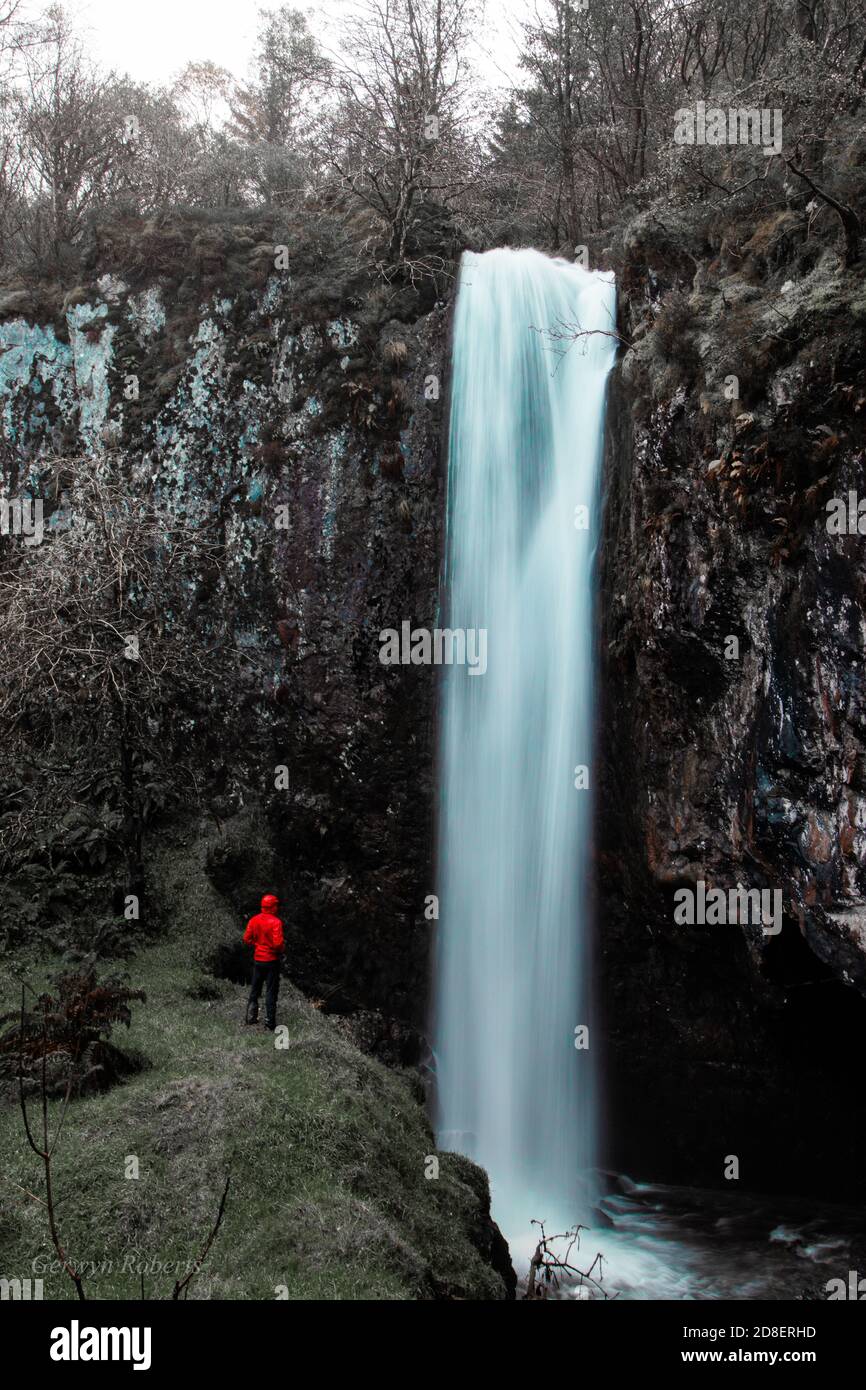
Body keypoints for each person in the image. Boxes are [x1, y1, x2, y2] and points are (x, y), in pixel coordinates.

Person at [244, 893, 284, 1031]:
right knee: (271, 992)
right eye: (276, 905)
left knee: (255, 989)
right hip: (271, 961)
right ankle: (270, 1022)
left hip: (258, 960)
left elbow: (247, 938)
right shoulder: (276, 922)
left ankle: (250, 1017)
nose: (277, 908)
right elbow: (278, 944)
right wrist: (278, 949)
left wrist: (257, 945)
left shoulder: (254, 920)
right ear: (272, 907)